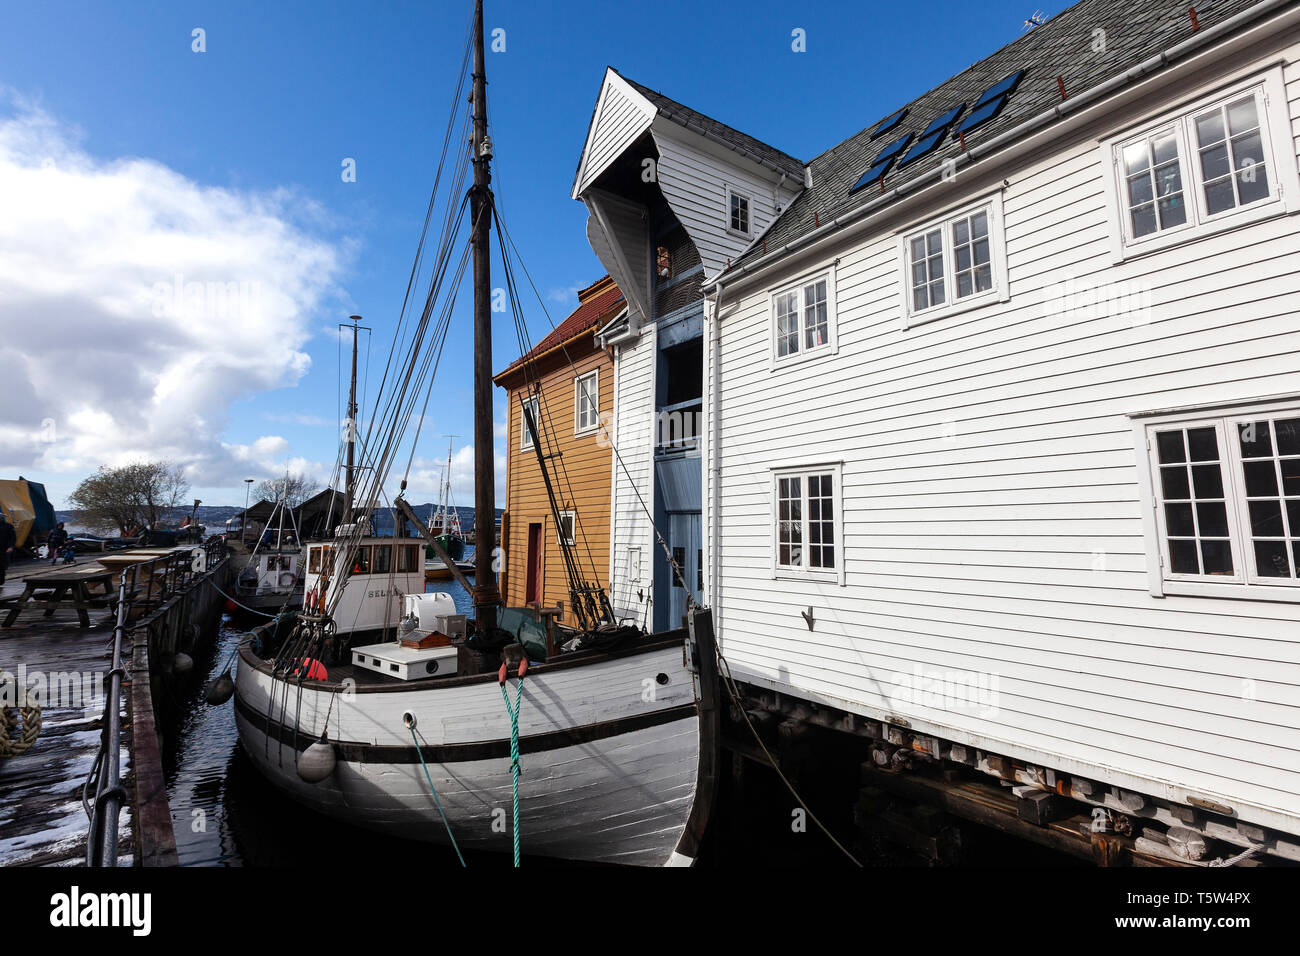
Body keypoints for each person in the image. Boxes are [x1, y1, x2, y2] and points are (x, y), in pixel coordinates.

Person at [0, 512, 15, 587]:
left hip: (4, 549)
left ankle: (1, 580)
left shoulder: (8, 526)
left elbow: (12, 538)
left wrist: (11, 547)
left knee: (2, 565)